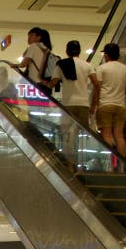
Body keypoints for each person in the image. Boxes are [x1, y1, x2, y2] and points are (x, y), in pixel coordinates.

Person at [49, 40, 98, 170]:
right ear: (79, 51)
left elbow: (53, 83)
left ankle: (70, 163)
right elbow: (96, 84)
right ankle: (82, 164)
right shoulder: (87, 65)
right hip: (83, 104)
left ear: (67, 51)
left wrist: (42, 85)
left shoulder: (61, 65)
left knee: (67, 134)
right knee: (82, 134)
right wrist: (94, 104)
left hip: (68, 104)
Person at [92, 42, 126, 163]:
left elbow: (97, 88)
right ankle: (121, 165)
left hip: (106, 105)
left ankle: (110, 163)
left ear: (106, 55)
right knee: (119, 136)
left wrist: (94, 105)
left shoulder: (101, 68)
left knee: (107, 135)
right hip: (121, 106)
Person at [15, 27, 52, 93]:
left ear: (38, 37)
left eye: (31, 35)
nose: (29, 38)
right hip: (45, 85)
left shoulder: (33, 46)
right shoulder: (46, 49)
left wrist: (14, 65)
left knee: (33, 103)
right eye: (28, 36)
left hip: (35, 84)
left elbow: (23, 64)